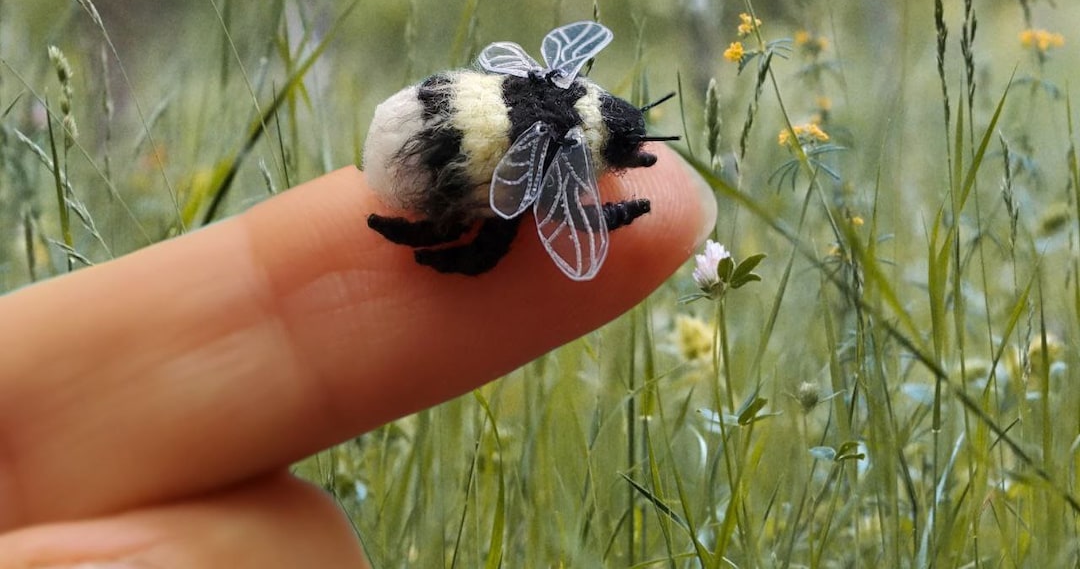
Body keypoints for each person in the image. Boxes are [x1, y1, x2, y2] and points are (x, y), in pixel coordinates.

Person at [0, 146, 714, 566]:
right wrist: (618, 214)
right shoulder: (552, 165)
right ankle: (420, 242)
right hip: (441, 150)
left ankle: (419, 237)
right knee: (494, 237)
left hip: (437, 140)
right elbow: (575, 218)